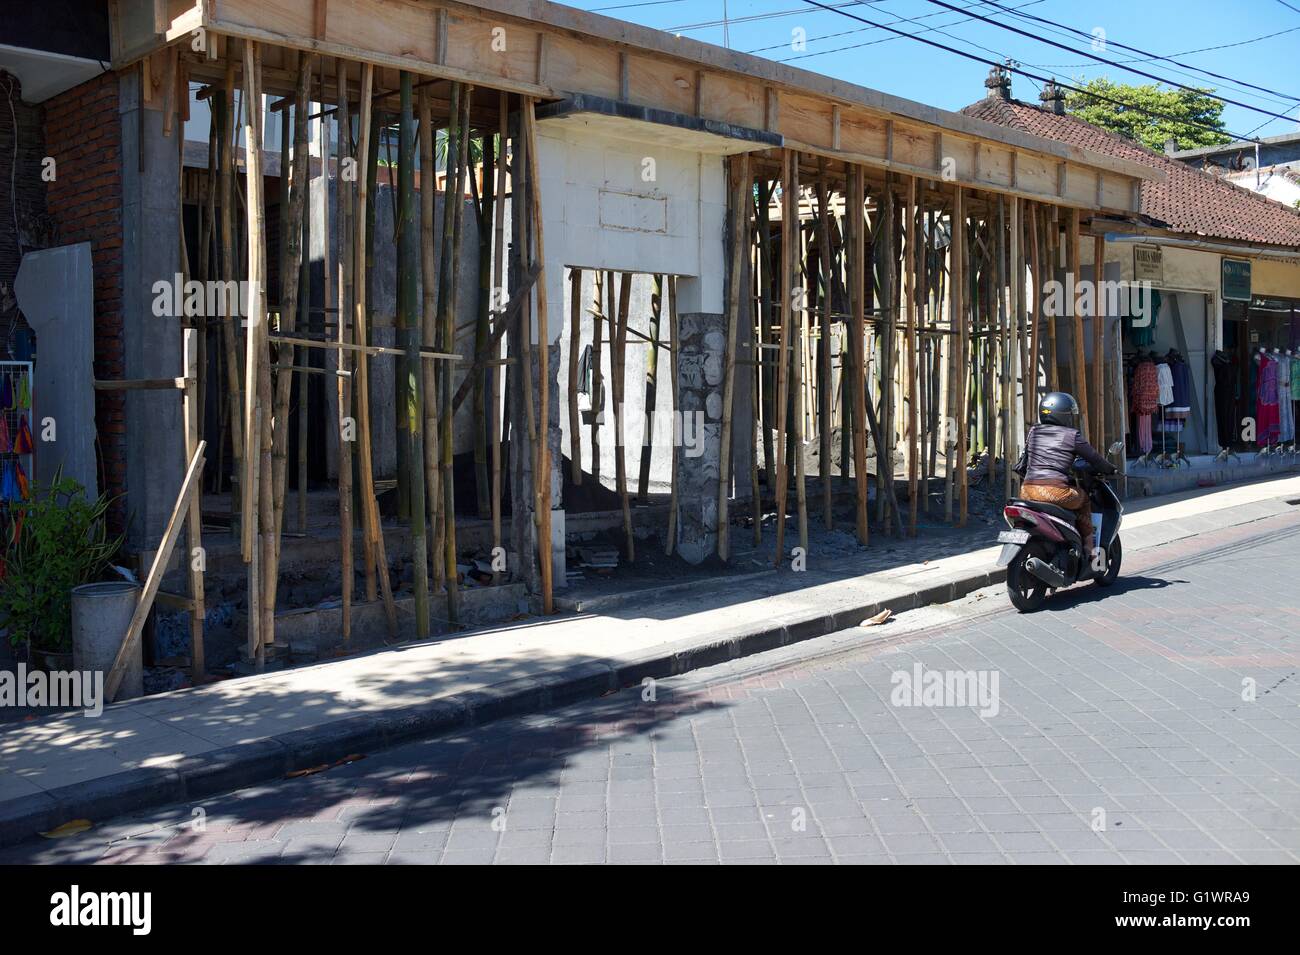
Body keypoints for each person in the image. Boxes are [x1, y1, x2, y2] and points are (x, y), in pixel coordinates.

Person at [1013, 392, 1116, 550]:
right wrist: (1111, 469)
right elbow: (1095, 458)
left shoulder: (1033, 432)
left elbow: (1025, 462)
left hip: (1027, 491)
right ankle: (1090, 547)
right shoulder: (1071, 435)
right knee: (1084, 500)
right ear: (1064, 415)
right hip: (1054, 492)